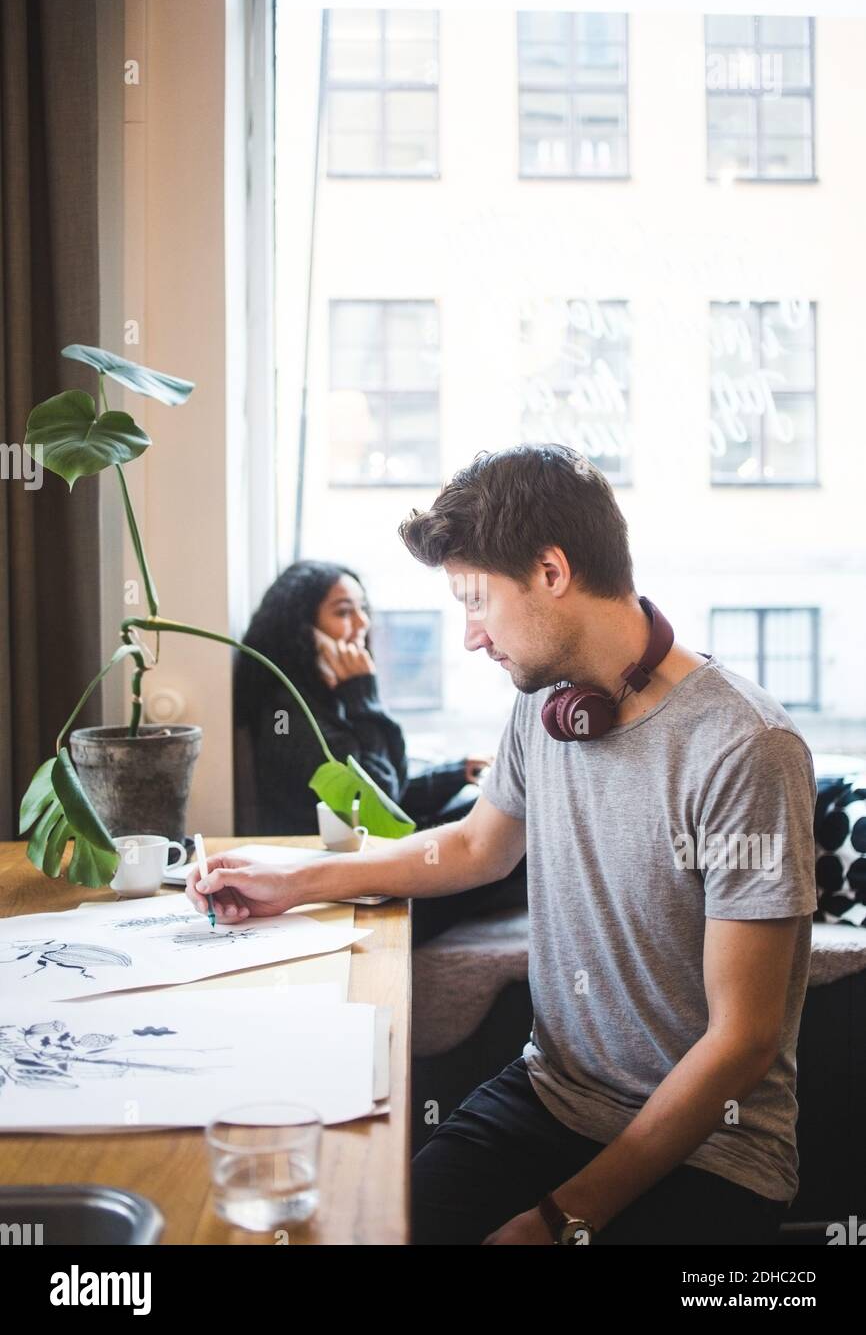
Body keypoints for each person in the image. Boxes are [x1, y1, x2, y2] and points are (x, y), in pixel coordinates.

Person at [191, 444, 817, 1246]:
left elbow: (743, 1039)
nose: (470, 638)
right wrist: (298, 879)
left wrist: (562, 1219)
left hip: (714, 1150)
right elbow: (473, 847)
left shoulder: (745, 747)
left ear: (552, 571)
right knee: (373, 1228)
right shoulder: (549, 700)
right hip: (553, 1096)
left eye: (477, 600)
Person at [233, 559, 527, 944]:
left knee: (500, 814)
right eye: (343, 612)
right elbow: (378, 801)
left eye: (363, 609)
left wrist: (452, 773)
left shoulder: (325, 694)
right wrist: (363, 697)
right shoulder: (285, 713)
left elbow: (390, 791)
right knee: (514, 844)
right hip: (350, 883)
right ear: (301, 629)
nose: (362, 623)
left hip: (365, 850)